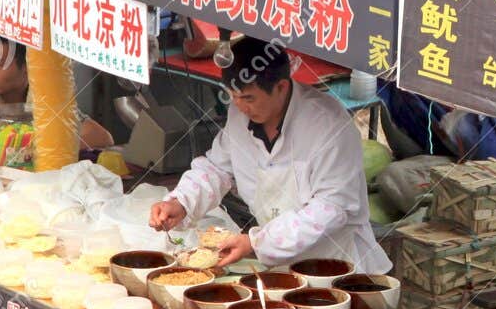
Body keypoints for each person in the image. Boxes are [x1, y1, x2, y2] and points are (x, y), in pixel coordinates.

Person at [149, 37, 390, 271]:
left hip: (337, 266)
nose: (239, 106)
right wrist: (182, 202)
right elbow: (217, 168)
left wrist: (257, 242)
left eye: (248, 98)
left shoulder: (328, 125)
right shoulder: (240, 113)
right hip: (279, 268)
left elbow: (331, 207)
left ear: (281, 87)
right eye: (233, 96)